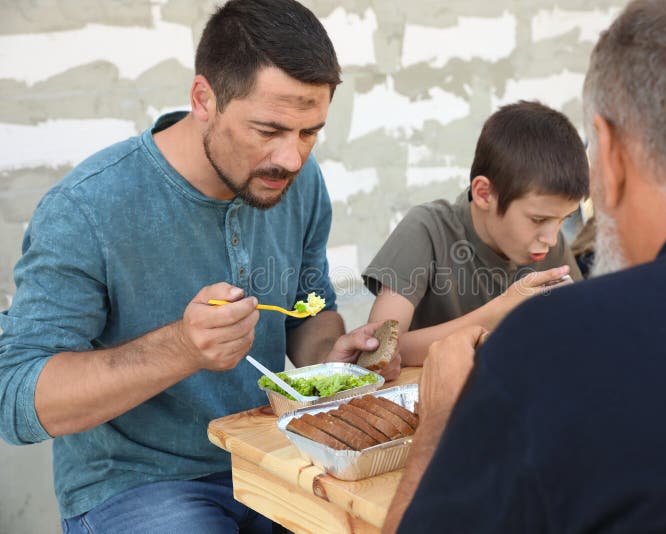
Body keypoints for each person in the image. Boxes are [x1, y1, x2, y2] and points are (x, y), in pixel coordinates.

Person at [383, 0, 666, 531]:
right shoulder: (433, 231)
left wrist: (440, 427)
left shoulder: (552, 347)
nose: (550, 236)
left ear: (606, 155)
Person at [0, 0, 397, 532]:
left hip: (272, 455)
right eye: (268, 129)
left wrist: (329, 357)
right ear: (203, 98)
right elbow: (17, 401)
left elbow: (310, 309)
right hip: (140, 483)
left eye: (310, 132)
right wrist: (183, 348)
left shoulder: (299, 182)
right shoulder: (86, 208)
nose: (292, 158)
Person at [363, 101, 589, 366]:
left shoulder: (550, 244)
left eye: (564, 219)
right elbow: (378, 354)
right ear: (484, 194)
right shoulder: (426, 229)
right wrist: (500, 311)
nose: (551, 238)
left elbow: (582, 333)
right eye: (538, 219)